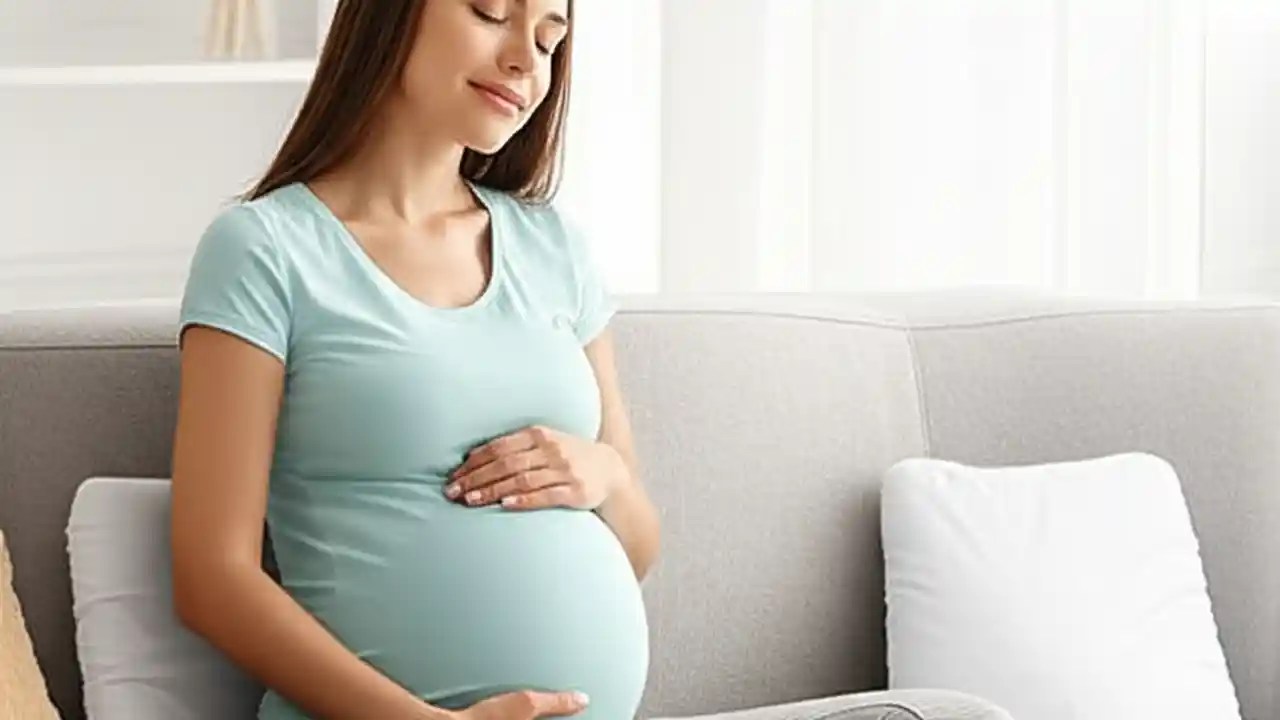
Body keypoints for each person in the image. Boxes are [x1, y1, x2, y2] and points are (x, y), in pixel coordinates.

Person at [169, 1, 660, 718]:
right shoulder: (264, 251)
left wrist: (604, 474)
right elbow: (211, 578)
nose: (528, 59)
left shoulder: (557, 250)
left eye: (551, 39)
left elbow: (637, 546)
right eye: (491, 12)